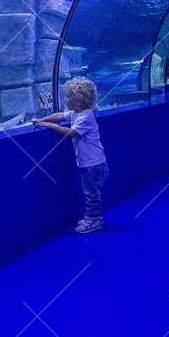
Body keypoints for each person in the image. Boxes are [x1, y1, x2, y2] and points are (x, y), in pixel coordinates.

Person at [31, 76, 108, 234]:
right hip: (90, 163)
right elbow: (60, 115)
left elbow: (71, 133)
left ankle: (94, 220)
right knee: (91, 193)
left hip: (93, 164)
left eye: (67, 96)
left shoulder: (86, 116)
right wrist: (41, 119)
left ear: (79, 101)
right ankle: (92, 217)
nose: (65, 99)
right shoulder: (76, 113)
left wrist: (48, 125)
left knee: (91, 194)